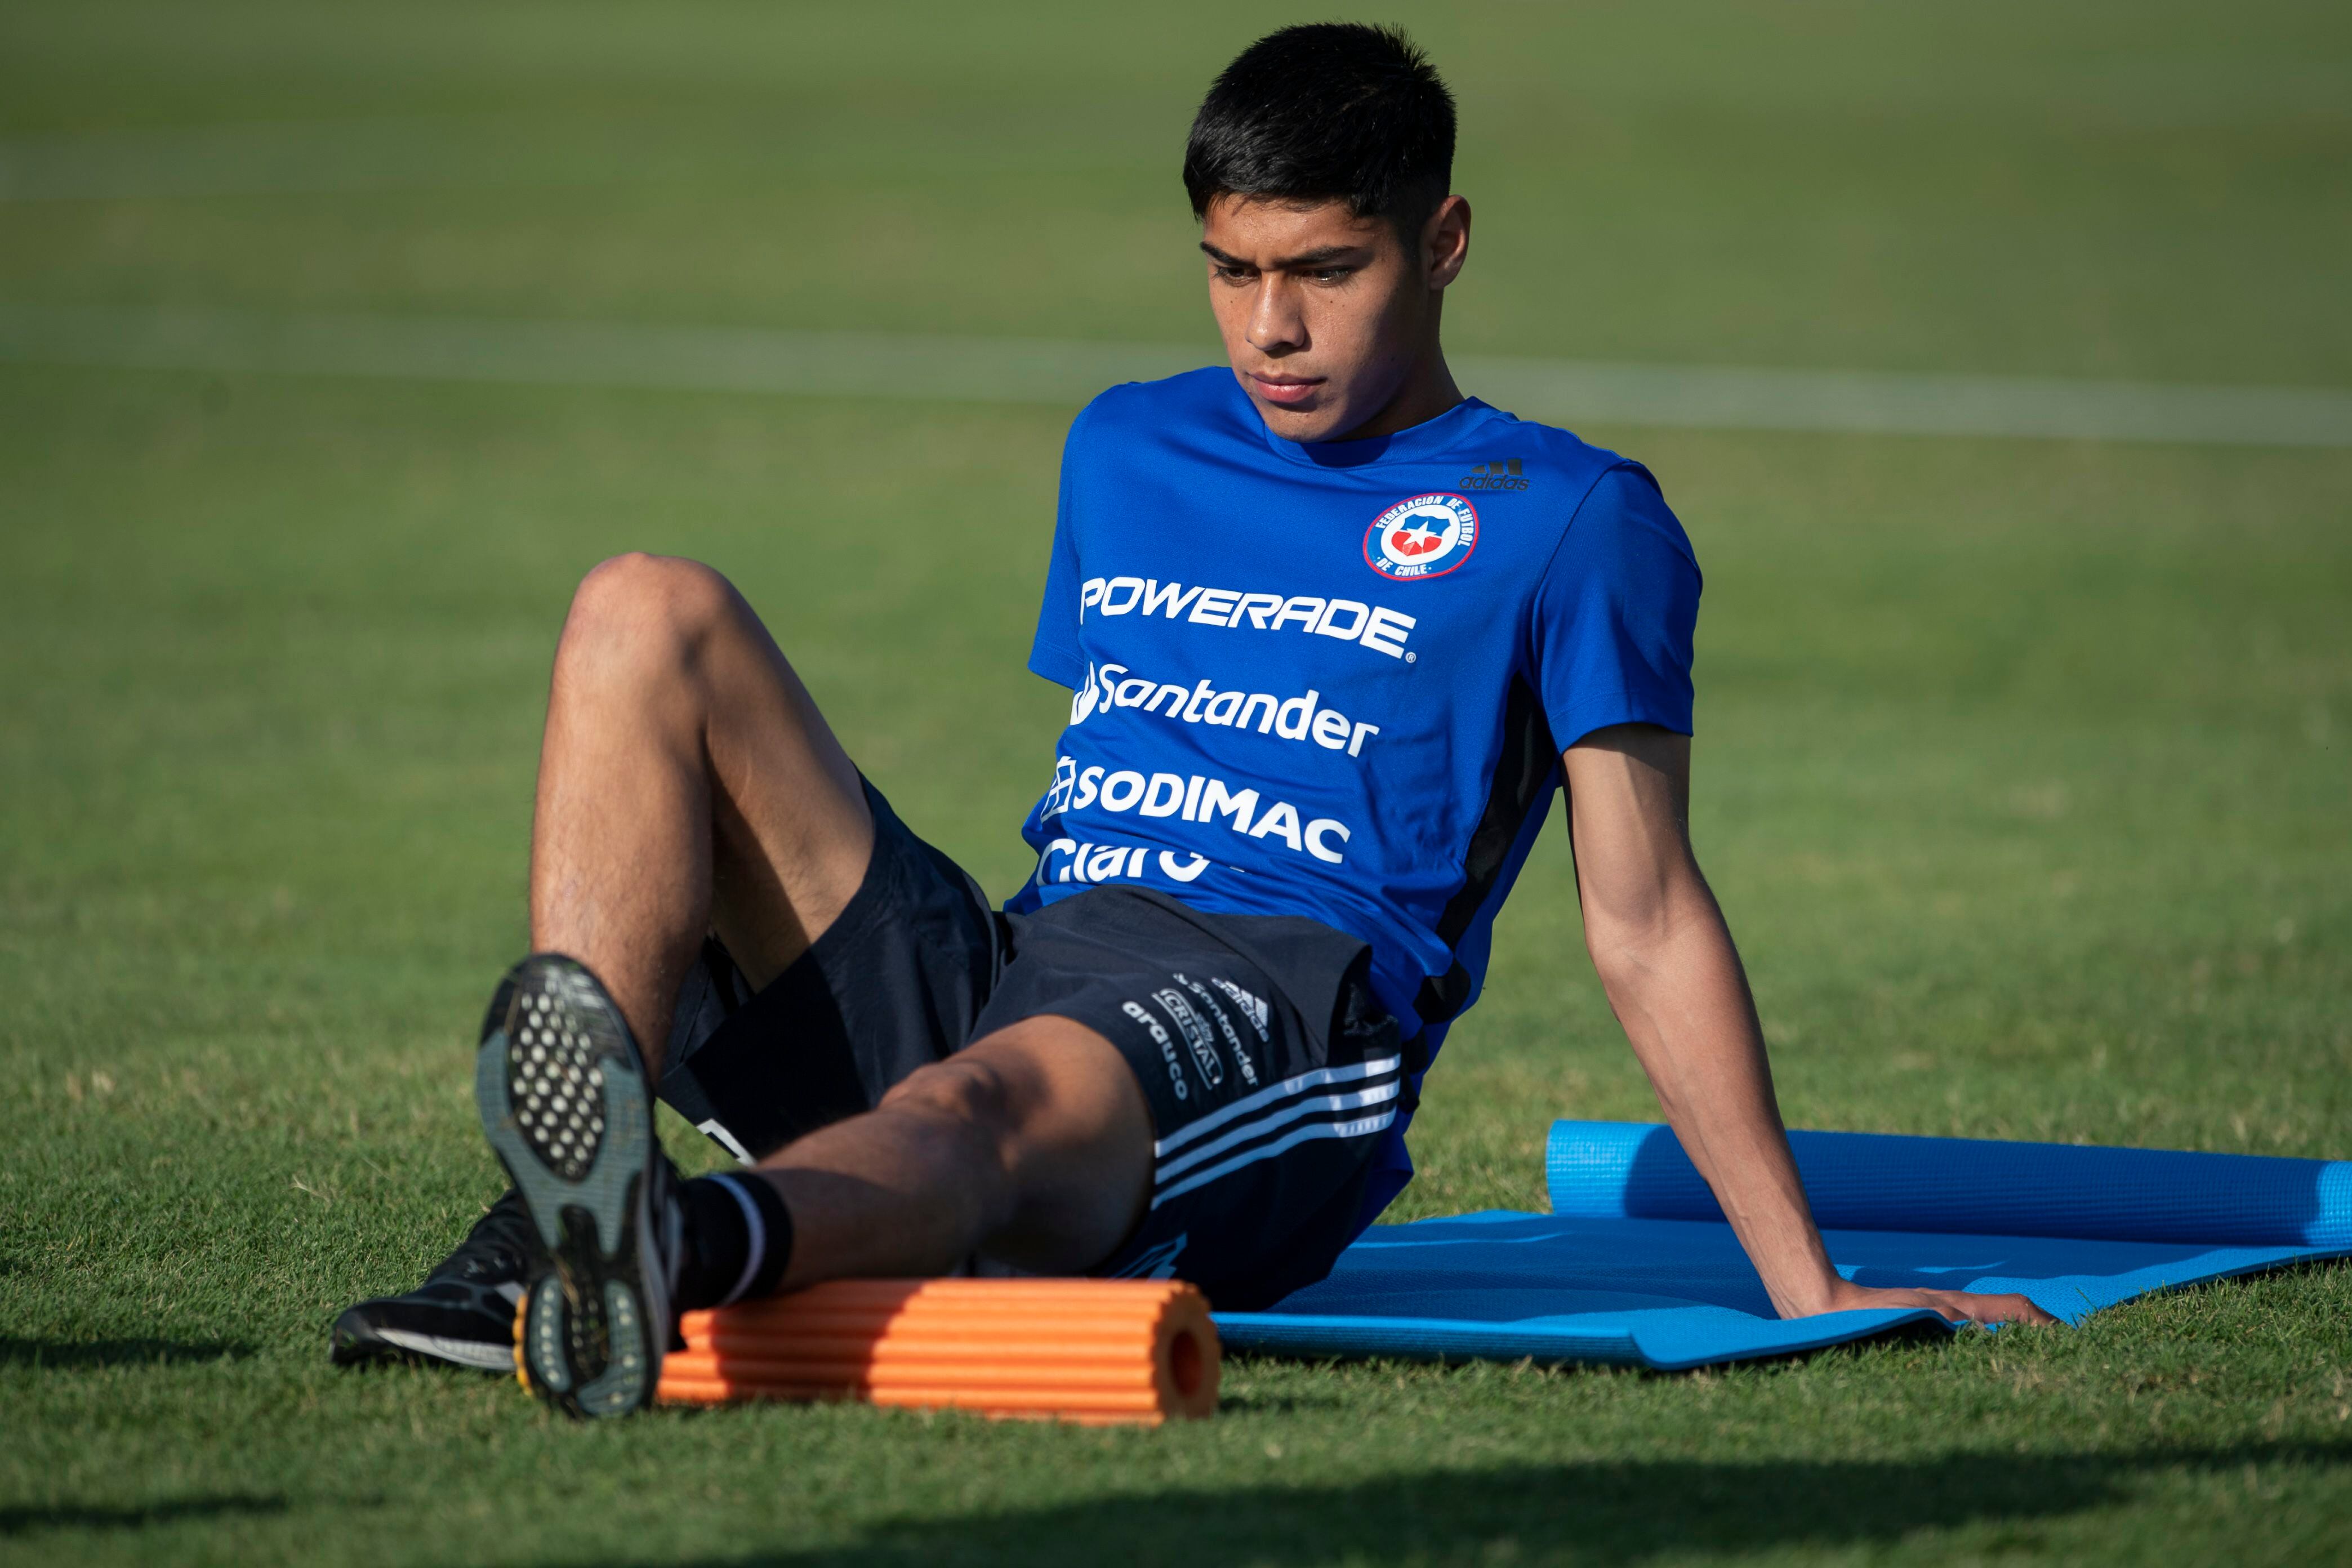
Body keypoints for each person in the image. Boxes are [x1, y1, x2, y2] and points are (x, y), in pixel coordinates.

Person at [332, 22, 2052, 1414]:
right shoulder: (1131, 443)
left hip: (1273, 1022)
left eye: (1325, 268)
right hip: (1033, 951)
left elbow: (1647, 913)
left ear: (1443, 244)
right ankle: (551, 1219)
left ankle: (668, 1246)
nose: (1272, 329)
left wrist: (1804, 1284)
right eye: (1230, 272)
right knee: (646, 609)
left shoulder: (1575, 520)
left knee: (982, 1107)